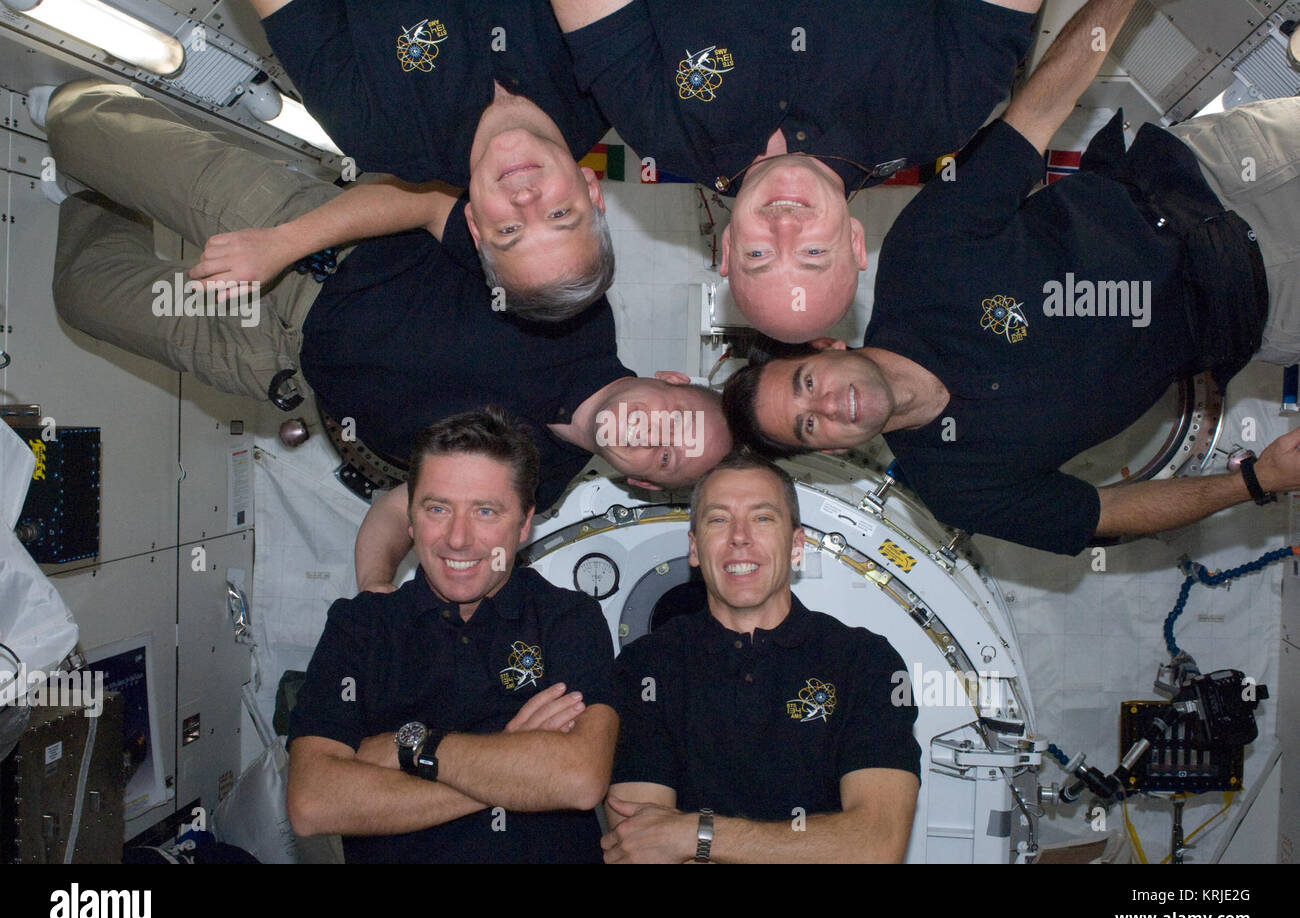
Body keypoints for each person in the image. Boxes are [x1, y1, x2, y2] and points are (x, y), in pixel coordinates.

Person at [722, 0, 1300, 555]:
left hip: (1224, 181)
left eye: (806, 385)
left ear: (825, 346)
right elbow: (1106, 514)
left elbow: (1036, 112)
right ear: (829, 450)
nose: (827, 407)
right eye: (807, 428)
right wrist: (1256, 482)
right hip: (1266, 313)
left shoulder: (920, 257)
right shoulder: (956, 486)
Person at [43, 81, 731, 511]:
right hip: (310, 254)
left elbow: (414, 506)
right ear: (671, 380)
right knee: (73, 123)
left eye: (667, 455)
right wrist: (282, 243)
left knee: (80, 292)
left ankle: (95, 201)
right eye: (676, 417)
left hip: (274, 363)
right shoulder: (568, 309)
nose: (652, 434)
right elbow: (432, 205)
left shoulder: (536, 488)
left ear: (641, 481)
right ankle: (98, 162)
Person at [549, 0, 1041, 341]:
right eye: (812, 252)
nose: (785, 225)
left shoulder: (659, 133)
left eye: (760, 254)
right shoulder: (938, 117)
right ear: (852, 241)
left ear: (727, 247)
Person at [287, 407, 618, 862]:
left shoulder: (569, 620)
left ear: (524, 522)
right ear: (409, 518)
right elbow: (313, 804)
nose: (458, 539)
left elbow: (578, 780)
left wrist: (411, 747)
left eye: (485, 511)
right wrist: (512, 763)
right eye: (438, 508)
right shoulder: (361, 627)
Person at [602, 453, 920, 863]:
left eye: (763, 518)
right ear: (695, 549)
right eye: (718, 520)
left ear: (797, 545)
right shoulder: (645, 667)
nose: (739, 537)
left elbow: (876, 846)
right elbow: (641, 847)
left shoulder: (866, 663)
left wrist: (696, 835)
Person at [245, 0, 614, 320]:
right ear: (592, 192)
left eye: (508, 231)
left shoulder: (376, 134)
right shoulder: (608, 80)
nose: (525, 201)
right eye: (559, 215)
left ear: (472, 224)